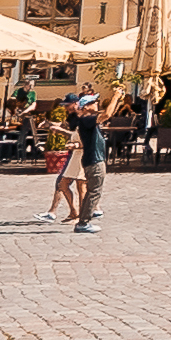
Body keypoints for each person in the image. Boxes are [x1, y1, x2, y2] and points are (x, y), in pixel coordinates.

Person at [64, 90, 110, 234]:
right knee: (94, 192)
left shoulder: (87, 120)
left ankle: (83, 220)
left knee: (92, 191)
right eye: (93, 102)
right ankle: (83, 222)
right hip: (94, 161)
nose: (97, 104)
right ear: (86, 107)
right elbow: (107, 115)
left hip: (93, 159)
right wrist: (116, 96)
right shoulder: (86, 119)